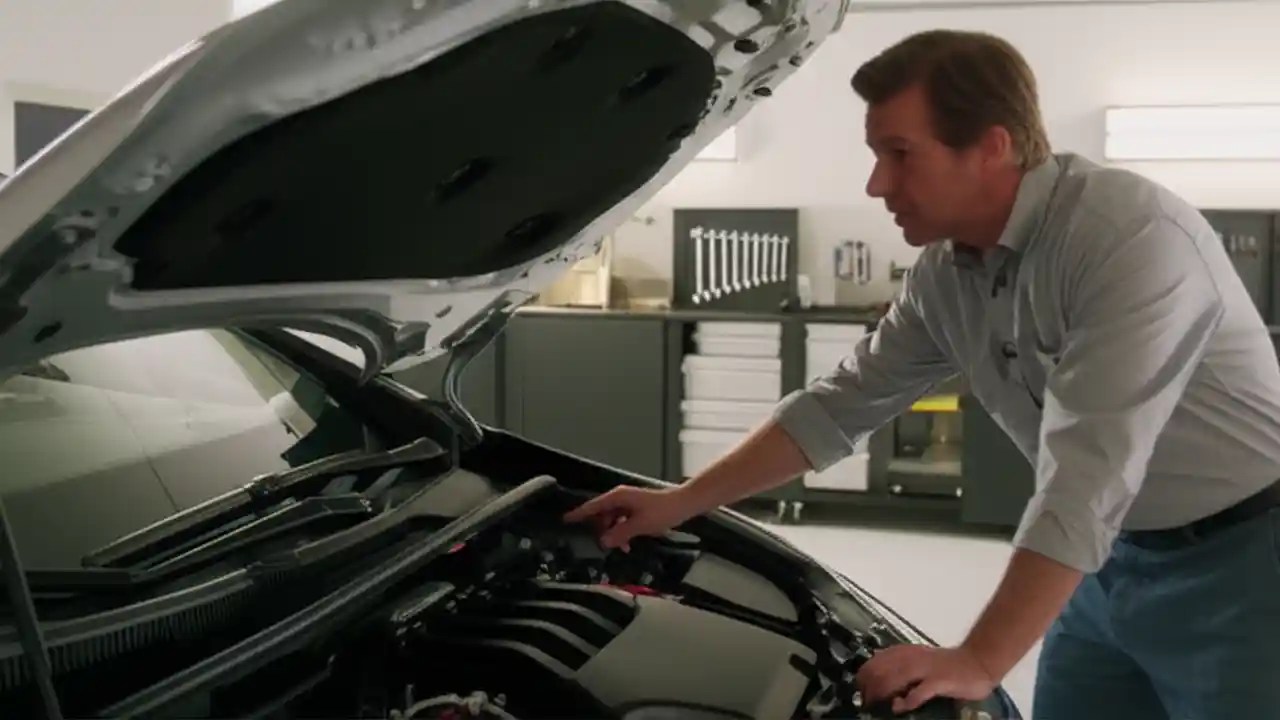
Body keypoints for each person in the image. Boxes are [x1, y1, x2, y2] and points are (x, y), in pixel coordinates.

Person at [564, 28, 1280, 719]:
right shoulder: (946, 273)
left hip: (1247, 564)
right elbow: (838, 407)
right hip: (1105, 558)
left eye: (899, 153)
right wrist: (680, 501)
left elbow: (1087, 470)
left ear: (991, 147)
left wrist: (978, 659)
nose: (878, 183)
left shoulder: (1128, 238)